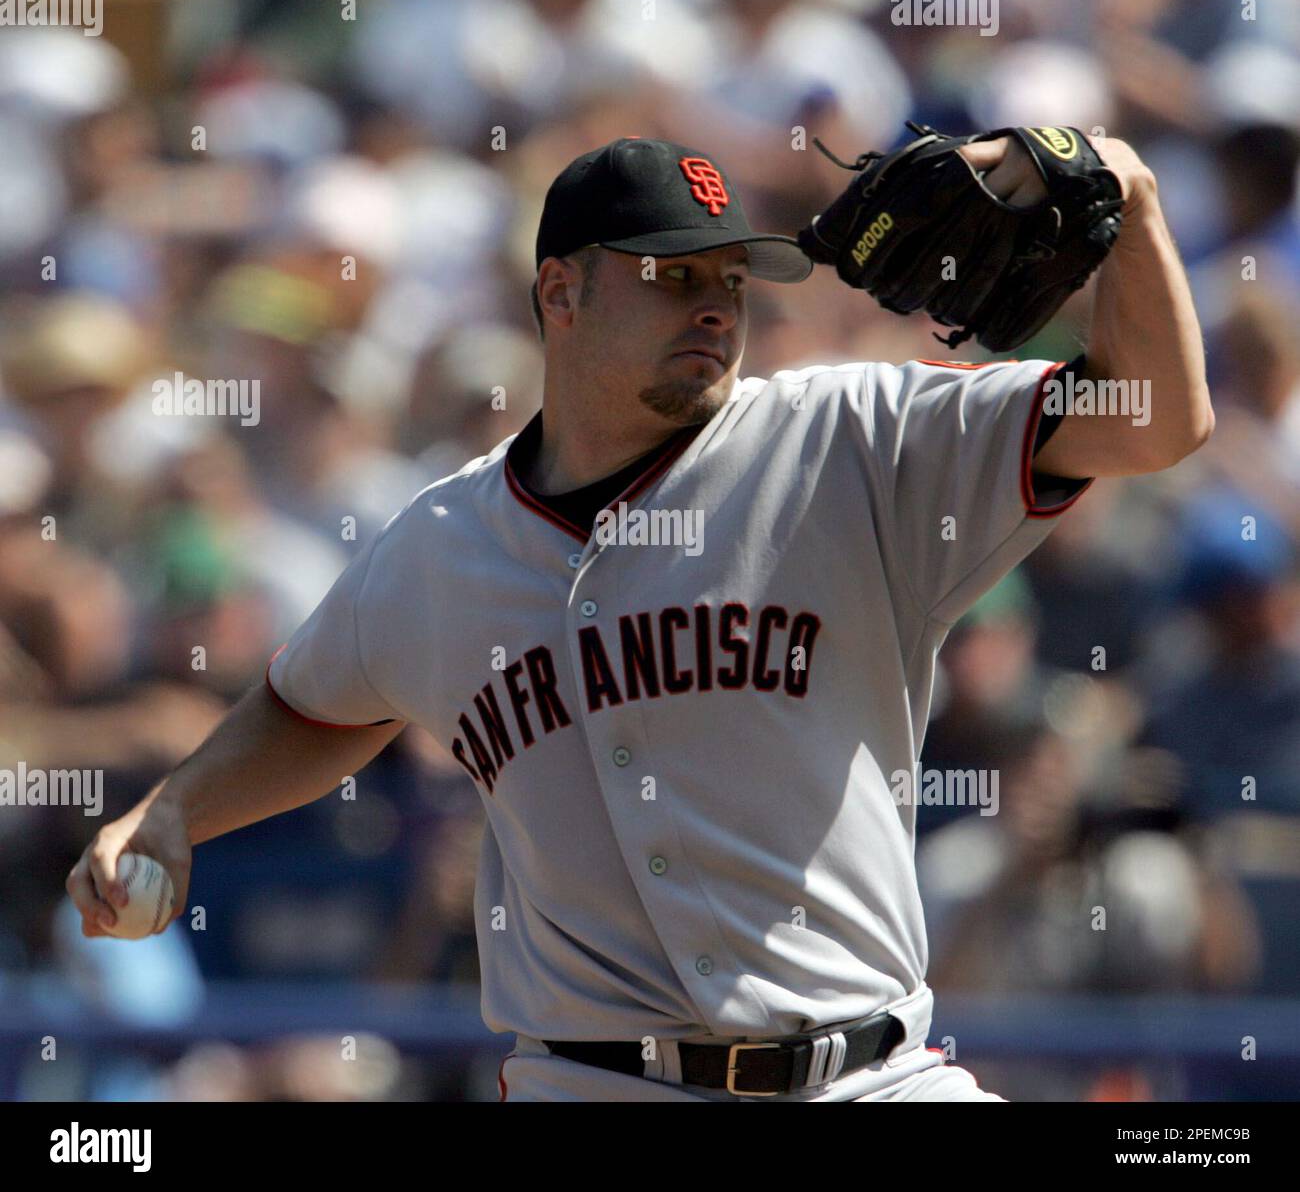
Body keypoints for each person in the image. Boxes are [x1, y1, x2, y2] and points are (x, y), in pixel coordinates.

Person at [68, 133, 1213, 1101]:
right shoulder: (439, 543)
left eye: (730, 278)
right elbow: (314, 707)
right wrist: (173, 813)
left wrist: (1130, 189)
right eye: (673, 275)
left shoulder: (850, 439)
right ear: (559, 292)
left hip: (866, 1074)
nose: (715, 303)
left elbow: (1156, 420)